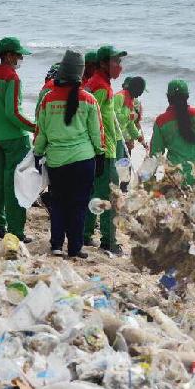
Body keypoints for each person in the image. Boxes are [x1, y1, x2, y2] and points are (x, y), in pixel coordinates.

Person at [33, 50, 105, 258]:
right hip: (83, 161)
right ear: (81, 75)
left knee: (58, 203)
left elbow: (41, 132)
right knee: (79, 205)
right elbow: (97, 133)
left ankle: (56, 245)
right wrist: (100, 155)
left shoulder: (48, 99)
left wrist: (38, 154)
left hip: (56, 161)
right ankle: (75, 248)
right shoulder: (89, 100)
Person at [0, 37, 36, 241]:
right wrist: (35, 127)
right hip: (15, 139)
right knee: (15, 185)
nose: (21, 58)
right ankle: (16, 231)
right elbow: (14, 112)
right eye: (19, 55)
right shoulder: (12, 77)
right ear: (9, 56)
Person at [82, 45, 127, 255]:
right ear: (103, 64)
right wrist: (100, 149)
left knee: (94, 191)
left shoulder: (97, 83)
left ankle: (85, 233)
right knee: (111, 196)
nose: (119, 66)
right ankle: (109, 241)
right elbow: (91, 118)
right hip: (105, 149)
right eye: (116, 62)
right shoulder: (100, 86)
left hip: (98, 148)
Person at [149, 79, 195, 185]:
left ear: (168, 98)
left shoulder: (161, 121)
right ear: (187, 96)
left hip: (178, 179)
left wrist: (150, 181)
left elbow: (155, 155)